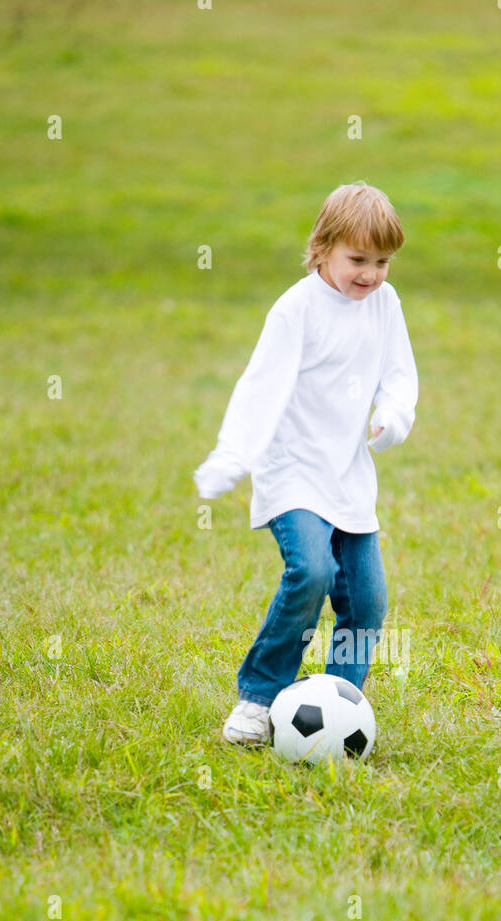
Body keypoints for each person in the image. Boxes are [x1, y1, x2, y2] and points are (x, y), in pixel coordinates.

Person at [193, 181, 418, 745]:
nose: (370, 274)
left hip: (347, 478)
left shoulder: (385, 305)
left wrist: (391, 417)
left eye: (382, 262)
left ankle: (340, 705)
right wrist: (233, 456)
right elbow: (260, 387)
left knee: (367, 602)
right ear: (322, 248)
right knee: (312, 571)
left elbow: (399, 377)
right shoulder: (296, 309)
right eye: (357, 259)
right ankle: (258, 697)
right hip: (292, 474)